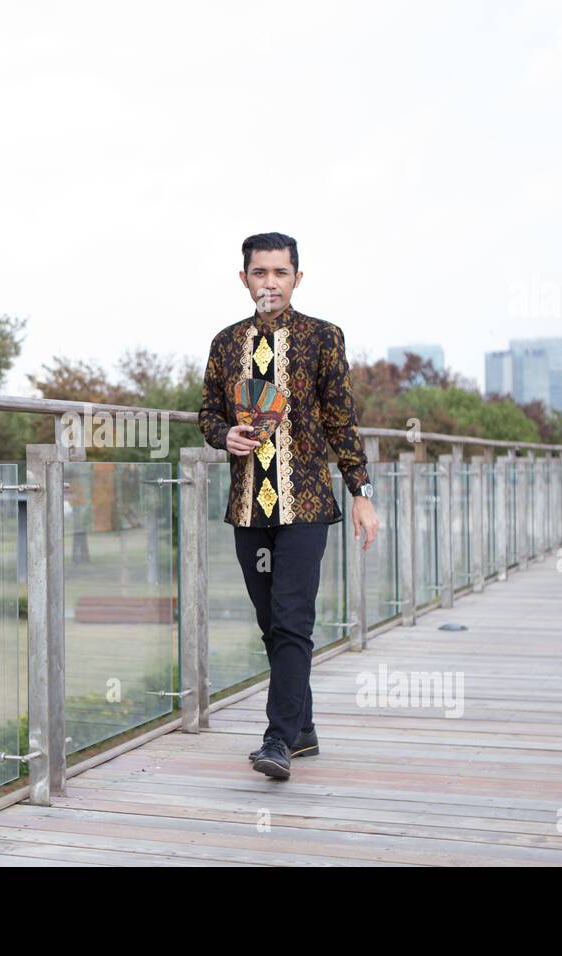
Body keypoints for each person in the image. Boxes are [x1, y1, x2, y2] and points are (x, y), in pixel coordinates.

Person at [198, 232, 379, 780]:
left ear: (297, 278)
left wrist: (361, 493)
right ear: (244, 278)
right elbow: (205, 412)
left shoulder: (323, 338)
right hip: (249, 508)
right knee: (269, 622)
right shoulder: (225, 343)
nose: (269, 282)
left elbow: (339, 419)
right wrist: (223, 434)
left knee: (292, 618)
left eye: (280, 272)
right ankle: (302, 728)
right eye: (260, 272)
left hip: (305, 506)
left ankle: (277, 740)